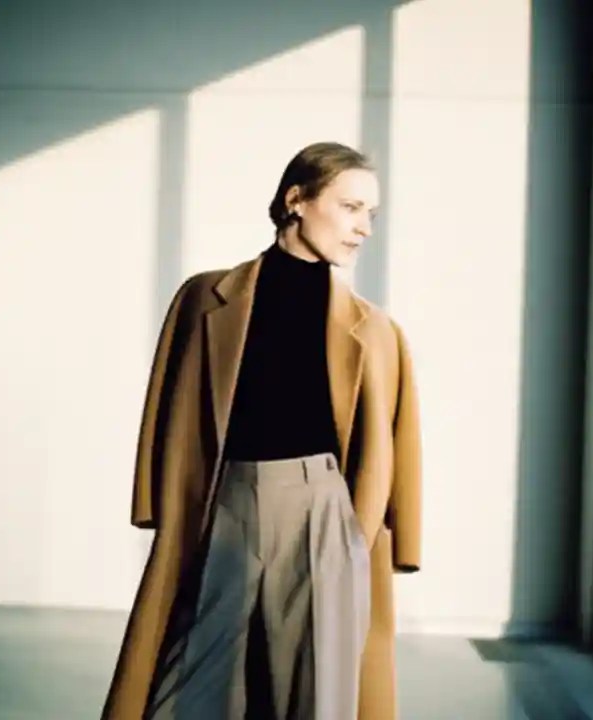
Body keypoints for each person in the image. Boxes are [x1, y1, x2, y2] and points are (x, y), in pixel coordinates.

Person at [102, 142, 423, 720]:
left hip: (323, 510)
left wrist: (363, 534)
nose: (363, 228)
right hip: (224, 503)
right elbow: (165, 412)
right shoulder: (206, 296)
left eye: (371, 215)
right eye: (351, 207)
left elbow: (395, 448)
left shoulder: (375, 329)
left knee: (317, 691)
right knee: (186, 684)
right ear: (296, 199)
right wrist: (160, 506)